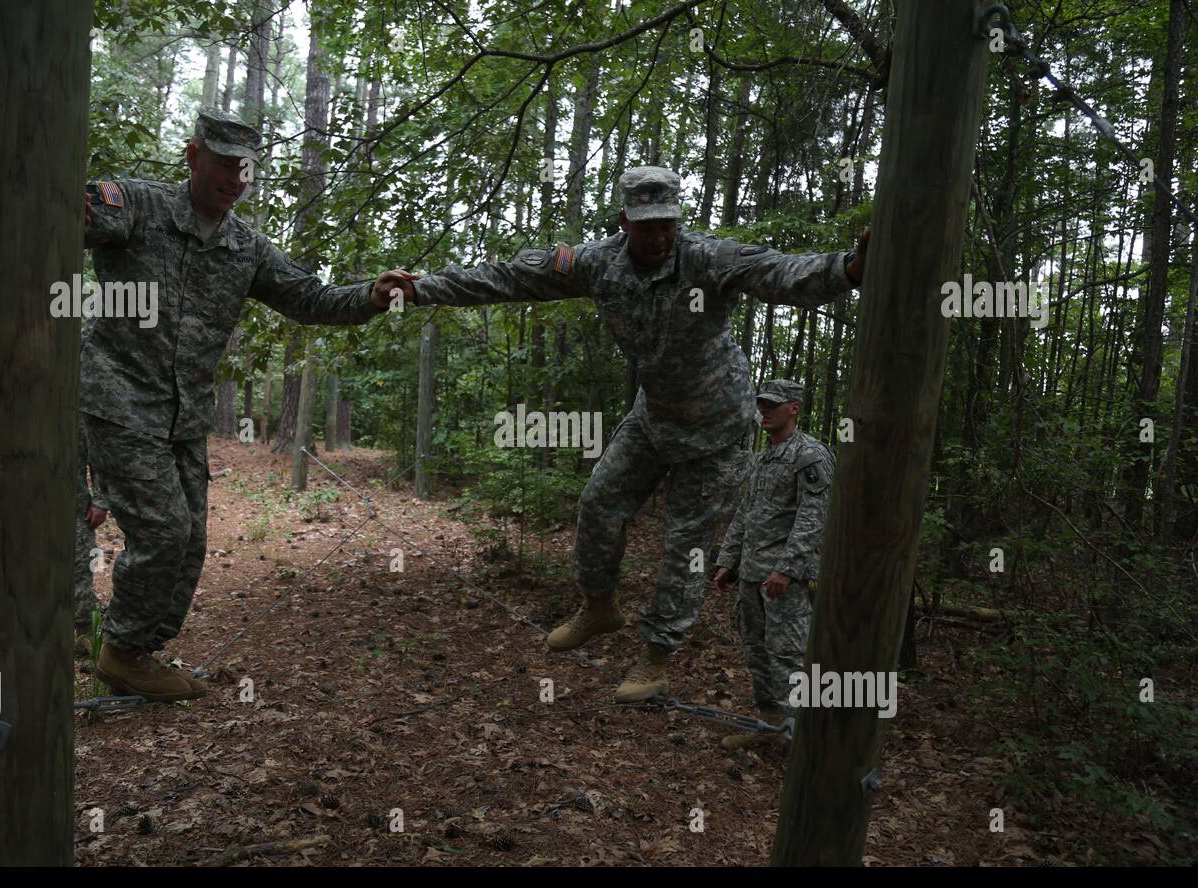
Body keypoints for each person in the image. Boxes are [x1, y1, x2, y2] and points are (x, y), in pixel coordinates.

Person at [375, 166, 866, 702]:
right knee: (599, 504)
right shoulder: (596, 263)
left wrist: (849, 267)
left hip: (717, 431)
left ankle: (655, 659)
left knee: (685, 547)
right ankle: (599, 605)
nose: (658, 238)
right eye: (646, 227)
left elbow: (781, 273)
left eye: (667, 227)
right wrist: (422, 289)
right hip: (653, 417)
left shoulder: (708, 258)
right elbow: (508, 277)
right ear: (624, 222)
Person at [82, 108, 400, 702]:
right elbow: (56, 216)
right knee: (164, 531)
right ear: (194, 156)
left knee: (191, 539)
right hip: (119, 398)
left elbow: (310, 298)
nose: (236, 178)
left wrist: (373, 297)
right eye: (225, 164)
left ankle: (138, 652)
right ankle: (121, 651)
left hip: (184, 417)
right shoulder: (137, 205)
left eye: (246, 169)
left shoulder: (245, 247)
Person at [712, 381, 834, 752]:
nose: (764, 411)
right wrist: (727, 561)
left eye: (773, 405)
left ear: (794, 408)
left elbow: (814, 518)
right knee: (757, 653)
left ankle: (804, 740)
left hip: (785, 581)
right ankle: (770, 727)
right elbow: (744, 514)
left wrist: (787, 569)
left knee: (788, 656)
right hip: (752, 576)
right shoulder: (761, 459)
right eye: (761, 405)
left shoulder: (809, 455)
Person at [73, 411, 107, 658]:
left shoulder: (79, 413)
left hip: (75, 509)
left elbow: (98, 459)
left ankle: (83, 631)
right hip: (31, 508)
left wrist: (101, 500)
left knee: (80, 568)